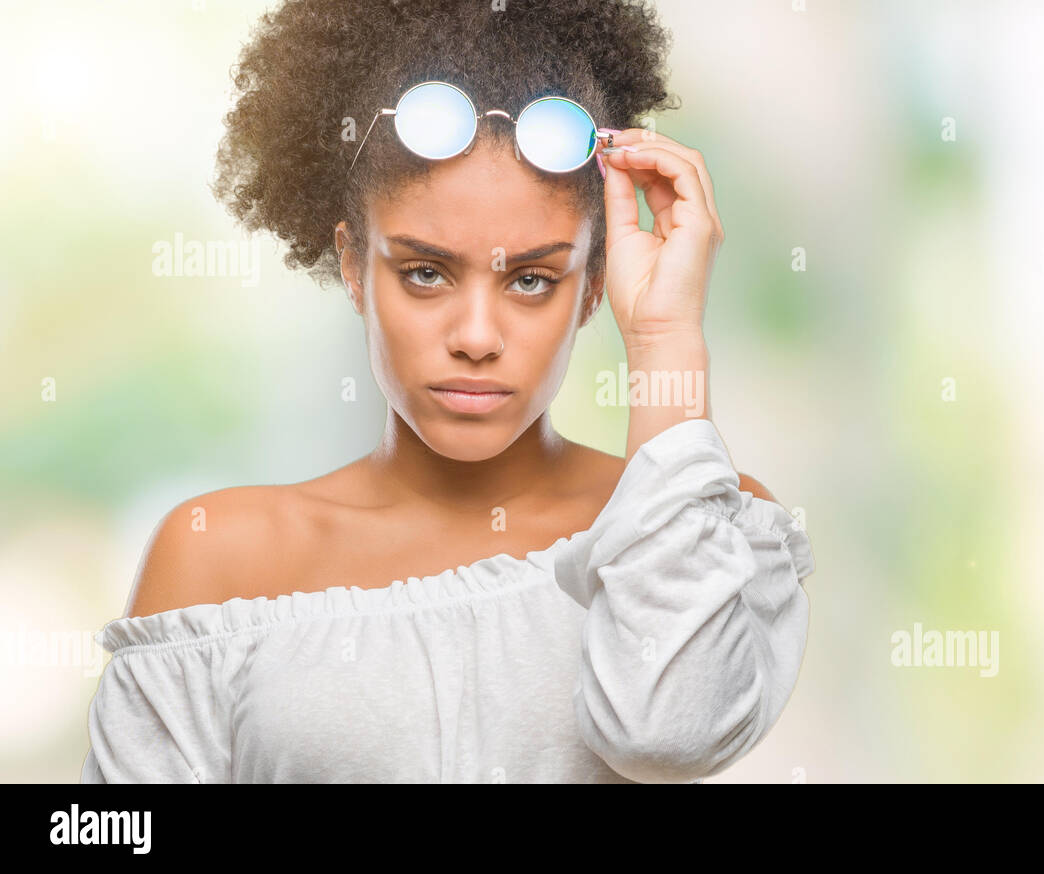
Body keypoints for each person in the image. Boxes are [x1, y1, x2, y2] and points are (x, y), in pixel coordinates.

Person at [80, 0, 814, 784]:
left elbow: (665, 736)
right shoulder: (219, 557)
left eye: (532, 279)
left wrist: (664, 338)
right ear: (355, 264)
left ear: (594, 285)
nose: (475, 335)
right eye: (425, 272)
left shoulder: (708, 529)